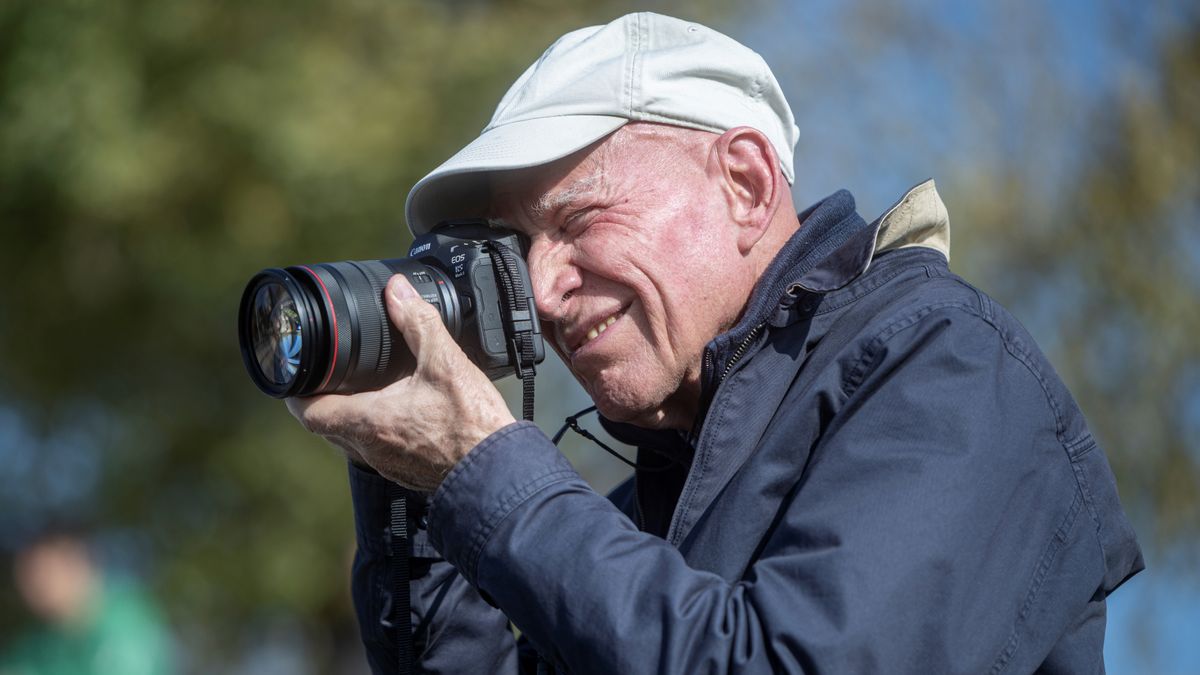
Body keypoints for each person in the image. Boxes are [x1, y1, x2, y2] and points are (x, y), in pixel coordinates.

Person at [287, 12, 1144, 673]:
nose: (542, 291)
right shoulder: (632, 519)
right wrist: (410, 483)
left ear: (744, 183)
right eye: (517, 251)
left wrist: (491, 468)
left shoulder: (949, 367)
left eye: (579, 219)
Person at [1, 529, 175, 675]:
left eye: (40, 575)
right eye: (26, 580)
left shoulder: (126, 620)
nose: (31, 590)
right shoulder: (37, 642)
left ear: (76, 565)